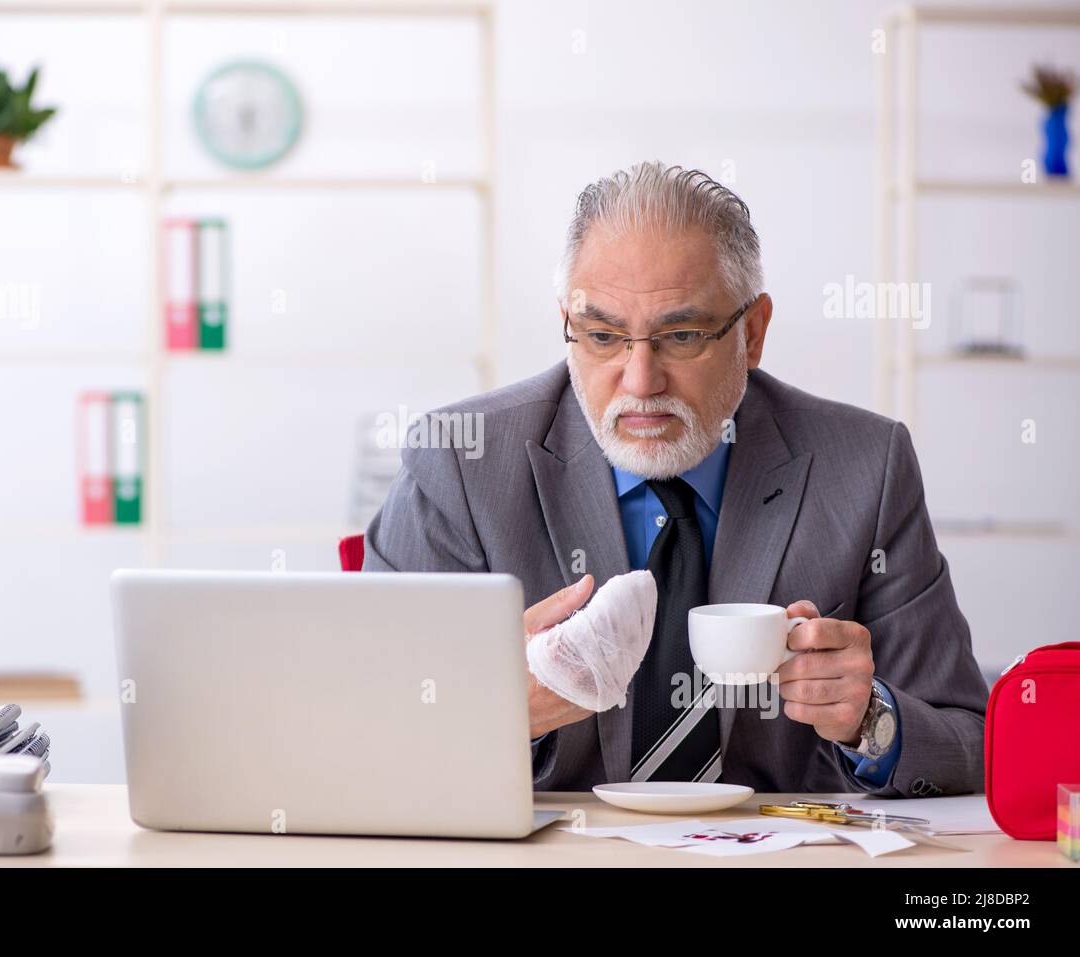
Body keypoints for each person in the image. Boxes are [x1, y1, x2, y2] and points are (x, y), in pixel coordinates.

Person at [364, 161, 988, 795]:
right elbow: (362, 730)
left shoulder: (864, 465)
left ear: (753, 332)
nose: (639, 381)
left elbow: (970, 742)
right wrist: (496, 710)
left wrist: (868, 719)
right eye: (603, 336)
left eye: (681, 335)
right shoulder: (459, 462)